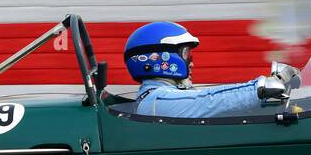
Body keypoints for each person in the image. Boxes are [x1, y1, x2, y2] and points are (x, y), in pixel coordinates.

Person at [125, 22, 295, 120]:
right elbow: (209, 101)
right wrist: (259, 89)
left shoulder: (160, 97)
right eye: (186, 56)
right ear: (161, 57)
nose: (191, 64)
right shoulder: (156, 102)